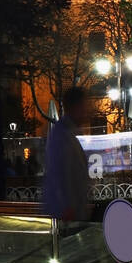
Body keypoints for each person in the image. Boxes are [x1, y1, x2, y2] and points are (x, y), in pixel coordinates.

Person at [42, 87, 92, 222]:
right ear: (75, 107)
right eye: (83, 106)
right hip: (67, 215)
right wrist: (68, 207)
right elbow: (59, 173)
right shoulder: (62, 134)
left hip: (70, 211)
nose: (85, 112)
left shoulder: (66, 132)